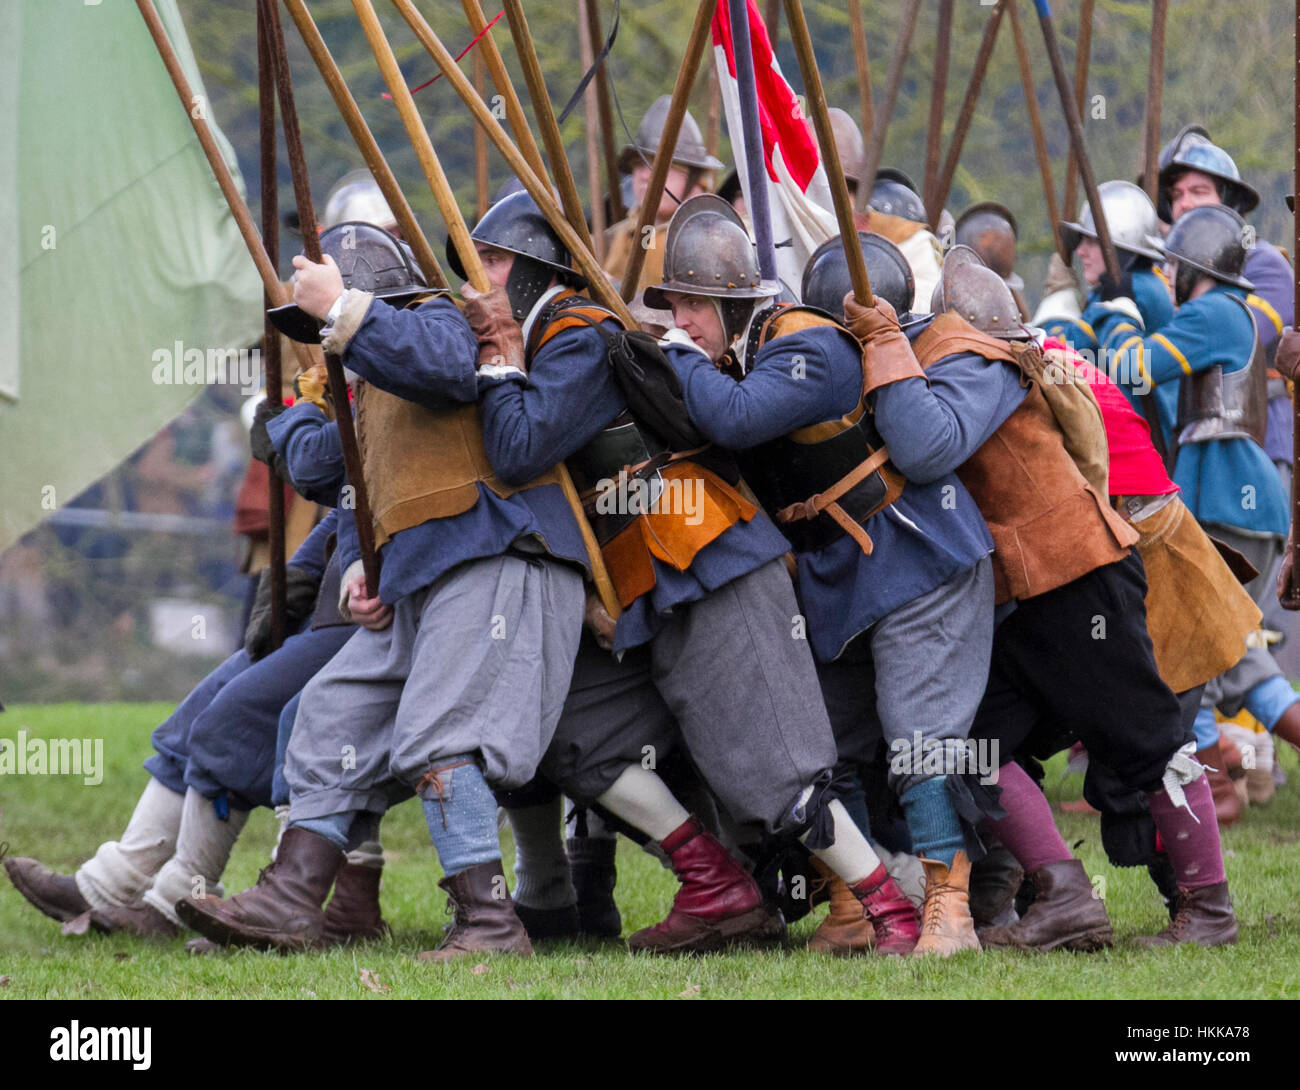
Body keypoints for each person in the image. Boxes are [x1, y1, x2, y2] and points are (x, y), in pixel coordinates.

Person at [470, 191, 922, 956]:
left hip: (712, 558)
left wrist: (498, 365)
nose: (477, 278)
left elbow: (518, 448)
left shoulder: (578, 335)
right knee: (571, 722)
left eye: (491, 260)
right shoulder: (555, 336)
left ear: (530, 271)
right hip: (649, 583)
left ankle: (892, 910)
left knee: (779, 767)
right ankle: (715, 885)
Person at [177, 221, 588, 960]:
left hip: (499, 557)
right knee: (328, 714)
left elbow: (445, 364)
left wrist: (341, 309)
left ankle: (490, 923)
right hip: (426, 580)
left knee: (442, 736)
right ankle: (292, 897)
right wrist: (376, 562)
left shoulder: (436, 317)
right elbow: (366, 487)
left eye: (330, 315)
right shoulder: (366, 382)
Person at [842, 245, 1237, 948]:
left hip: (1076, 574)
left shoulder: (977, 359)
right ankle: (1065, 896)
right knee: (971, 745)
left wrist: (884, 349)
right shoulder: (977, 354)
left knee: (1147, 741)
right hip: (1027, 592)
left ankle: (1208, 909)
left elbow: (925, 446)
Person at [658, 213, 998, 958]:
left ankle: (951, 911)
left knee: (921, 741)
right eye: (672, 307)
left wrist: (674, 357)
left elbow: (736, 420)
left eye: (692, 305)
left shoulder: (805, 346)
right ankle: (851, 904)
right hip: (844, 580)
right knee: (824, 746)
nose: (679, 320)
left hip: (919, 558)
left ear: (736, 303)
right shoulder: (744, 360)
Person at [1101, 205, 1299, 794]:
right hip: (1239, 494)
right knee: (1234, 657)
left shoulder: (1214, 311)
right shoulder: (1222, 314)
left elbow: (1130, 370)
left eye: (1170, 268)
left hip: (1225, 495)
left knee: (1197, 646)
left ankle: (1212, 786)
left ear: (1196, 267)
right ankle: (1218, 785)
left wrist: (1114, 317)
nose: (1165, 278)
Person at [602, 96, 722, 298]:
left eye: (660, 167)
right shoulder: (624, 234)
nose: (645, 175)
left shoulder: (714, 238)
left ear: (694, 180)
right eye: (639, 165)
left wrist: (614, 289)